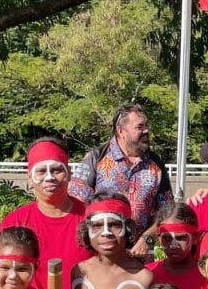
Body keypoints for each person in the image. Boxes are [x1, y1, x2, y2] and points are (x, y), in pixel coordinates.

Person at [0, 137, 92, 289]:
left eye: (56, 170)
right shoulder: (17, 221)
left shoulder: (91, 219)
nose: (49, 177)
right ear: (29, 177)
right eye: (41, 171)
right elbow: (1, 278)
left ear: (68, 173)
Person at [70, 103, 173, 257]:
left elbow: (167, 210)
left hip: (139, 256)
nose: (146, 130)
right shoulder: (96, 158)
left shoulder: (155, 164)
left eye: (146, 125)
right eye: (140, 127)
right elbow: (75, 205)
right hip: (100, 254)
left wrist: (147, 238)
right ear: (121, 131)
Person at [147, 202, 207, 289]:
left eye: (181, 238)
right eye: (167, 238)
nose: (173, 245)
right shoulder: (148, 274)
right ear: (159, 238)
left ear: (195, 237)